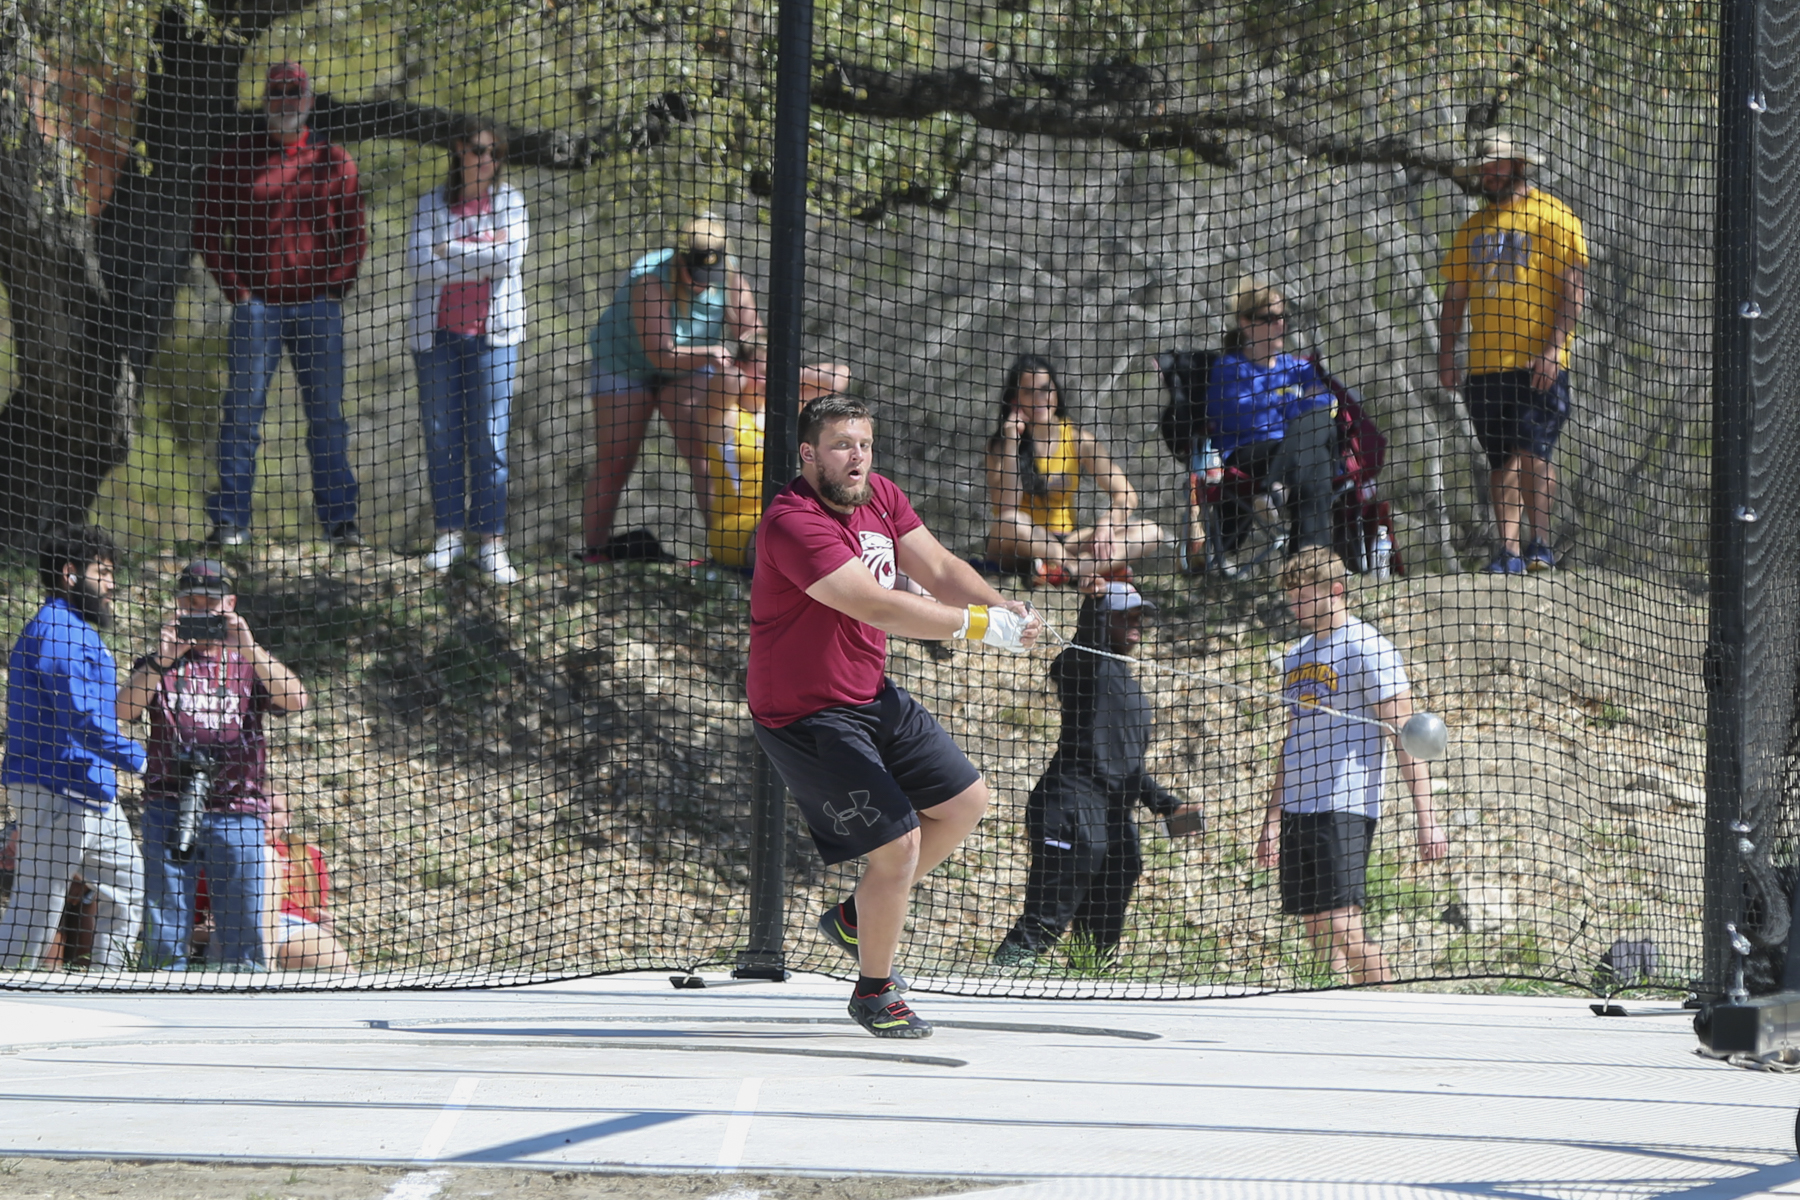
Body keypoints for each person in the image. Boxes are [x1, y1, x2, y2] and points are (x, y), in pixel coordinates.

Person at [748, 395, 1042, 1037]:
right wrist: (978, 628)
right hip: (804, 712)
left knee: (966, 800)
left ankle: (856, 918)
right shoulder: (792, 523)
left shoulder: (881, 494)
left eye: (863, 444)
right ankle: (874, 990)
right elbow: (876, 606)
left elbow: (937, 568)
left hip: (867, 691)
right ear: (807, 454)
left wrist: (1007, 611)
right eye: (840, 446)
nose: (856, 458)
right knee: (898, 843)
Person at [581, 217, 848, 561]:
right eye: (694, 275)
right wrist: (710, 352)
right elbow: (658, 351)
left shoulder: (731, 275)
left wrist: (764, 361)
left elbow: (752, 333)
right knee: (616, 459)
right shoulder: (649, 279)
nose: (700, 284)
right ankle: (594, 550)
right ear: (680, 261)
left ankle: (721, 555)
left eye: (709, 276)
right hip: (624, 366)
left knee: (704, 453)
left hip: (687, 369)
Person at [194, 61, 367, 548]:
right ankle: (231, 523)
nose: (286, 103)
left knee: (327, 417)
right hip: (257, 312)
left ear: (309, 101)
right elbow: (206, 229)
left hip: (318, 308)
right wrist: (238, 293)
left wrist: (336, 287)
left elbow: (356, 236)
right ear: (266, 101)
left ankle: (341, 524)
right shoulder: (233, 158)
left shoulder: (335, 161)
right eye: (277, 94)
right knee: (242, 416)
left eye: (295, 93)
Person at [1256, 547, 1447, 984]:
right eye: (1290, 596)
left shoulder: (1367, 647)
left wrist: (1427, 819)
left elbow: (1406, 737)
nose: (1294, 605)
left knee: (1344, 928)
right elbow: (1293, 740)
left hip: (1345, 804)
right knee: (1317, 931)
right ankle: (1338, 1022)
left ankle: (1387, 1012)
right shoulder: (1296, 654)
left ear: (1335, 591)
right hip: (1297, 810)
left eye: (1302, 596)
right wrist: (1272, 818)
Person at [993, 582, 1204, 967]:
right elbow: (1078, 652)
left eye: (1141, 618)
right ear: (1103, 620)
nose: (1137, 626)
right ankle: (997, 982)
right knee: (1045, 922)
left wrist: (1167, 805)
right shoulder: (1084, 666)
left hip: (1112, 820)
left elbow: (1126, 765)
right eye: (1127, 617)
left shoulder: (1127, 685)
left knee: (1099, 934)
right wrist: (1092, 601)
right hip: (1071, 807)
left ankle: (1089, 982)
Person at [117, 560, 308, 970]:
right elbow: (124, 710)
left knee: (244, 920)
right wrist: (162, 660)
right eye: (191, 603)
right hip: (168, 803)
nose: (200, 612)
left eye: (210, 604)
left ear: (229, 604)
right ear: (178, 605)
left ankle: (243, 991)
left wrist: (249, 646)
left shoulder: (248, 663)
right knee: (166, 916)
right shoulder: (160, 663)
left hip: (237, 808)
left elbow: (296, 700)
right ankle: (163, 983)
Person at [1437, 134, 1588, 574]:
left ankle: (1540, 545)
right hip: (1486, 365)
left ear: (1518, 166)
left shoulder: (1553, 216)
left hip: (1536, 362)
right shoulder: (1473, 228)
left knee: (1534, 451)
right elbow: (1454, 296)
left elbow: (1573, 290)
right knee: (1500, 457)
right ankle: (1508, 552)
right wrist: (1448, 354)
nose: (1487, 174)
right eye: (1483, 168)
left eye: (1495, 166)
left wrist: (1554, 349)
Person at [0, 526, 147, 970]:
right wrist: (145, 761)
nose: (112, 584)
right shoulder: (58, 631)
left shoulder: (77, 629)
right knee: (36, 911)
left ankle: (110, 986)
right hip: (56, 789)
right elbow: (82, 720)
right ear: (69, 573)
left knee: (127, 885)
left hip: (90, 792)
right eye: (103, 572)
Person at [406, 117, 530, 584]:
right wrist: (479, 254)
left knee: (489, 439)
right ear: (459, 150)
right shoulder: (430, 204)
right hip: (435, 337)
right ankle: (448, 536)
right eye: (479, 150)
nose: (487, 161)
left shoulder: (510, 202)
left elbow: (510, 258)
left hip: (493, 337)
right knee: (441, 437)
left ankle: (491, 544)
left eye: (495, 153)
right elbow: (418, 264)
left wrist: (449, 253)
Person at [985, 354, 1167, 586]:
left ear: (1056, 391)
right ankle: (1082, 568)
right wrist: (1012, 440)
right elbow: (1005, 508)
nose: (1040, 398)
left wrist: (1108, 522)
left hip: (1065, 540)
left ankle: (1063, 571)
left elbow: (1127, 495)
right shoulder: (1000, 445)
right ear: (1015, 399)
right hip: (1014, 544)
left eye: (1045, 389)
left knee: (1149, 531)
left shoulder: (1078, 440)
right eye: (1029, 392)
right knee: (1012, 520)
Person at [1203, 280, 1337, 564]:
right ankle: (1309, 564)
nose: (1280, 325)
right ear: (1246, 324)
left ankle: (1277, 486)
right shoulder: (1229, 367)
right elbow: (1236, 415)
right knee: (1318, 460)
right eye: (1269, 318)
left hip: (1293, 449)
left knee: (1318, 429)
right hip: (1249, 452)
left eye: (1282, 317)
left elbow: (1327, 403)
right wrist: (1294, 405)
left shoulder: (1298, 367)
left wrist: (1280, 405)